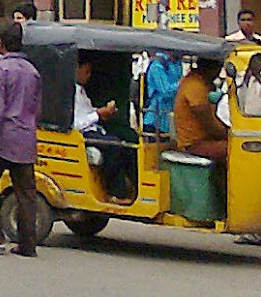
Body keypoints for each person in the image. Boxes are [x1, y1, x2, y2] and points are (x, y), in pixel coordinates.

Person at [0, 22, 44, 257]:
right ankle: (27, 244)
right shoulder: (32, 71)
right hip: (26, 137)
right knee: (26, 192)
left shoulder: (0, 70)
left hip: (4, 137)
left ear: (0, 44)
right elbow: (37, 107)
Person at [75, 56, 135, 201]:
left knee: (129, 141)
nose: (89, 76)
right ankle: (116, 193)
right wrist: (98, 114)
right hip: (81, 134)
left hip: (94, 129)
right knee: (114, 146)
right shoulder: (69, 93)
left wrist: (103, 112)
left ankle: (131, 186)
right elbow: (76, 123)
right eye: (86, 72)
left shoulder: (80, 91)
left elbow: (87, 112)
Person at [175, 57, 230, 163]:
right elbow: (209, 124)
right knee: (236, 148)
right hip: (195, 143)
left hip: (204, 139)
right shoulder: (195, 85)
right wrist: (227, 134)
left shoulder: (200, 83)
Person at [141, 52, 183, 139]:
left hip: (170, 121)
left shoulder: (177, 64)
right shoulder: (157, 65)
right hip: (155, 120)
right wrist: (182, 83)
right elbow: (165, 91)